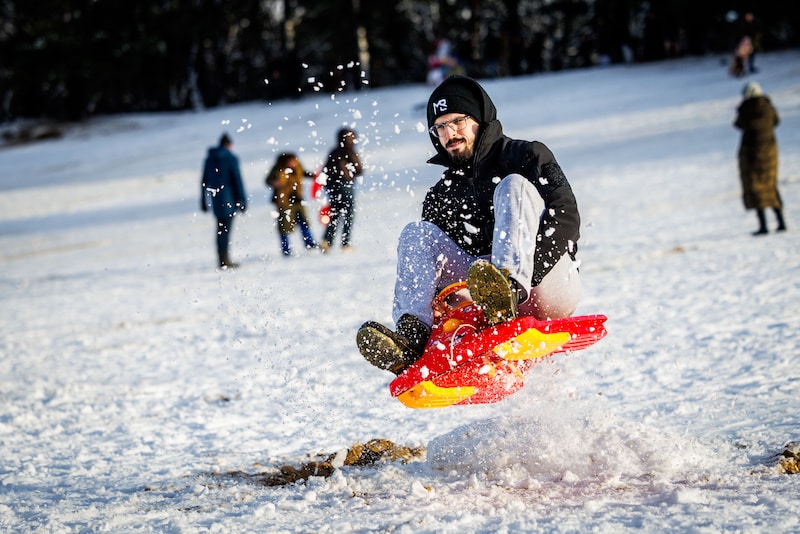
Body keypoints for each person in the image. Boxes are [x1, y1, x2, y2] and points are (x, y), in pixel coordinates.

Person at [356, 75, 582, 374]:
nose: (449, 133)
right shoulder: (441, 194)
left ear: (480, 119)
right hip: (484, 298)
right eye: (440, 127)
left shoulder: (527, 155)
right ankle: (412, 337)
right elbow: (437, 269)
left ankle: (507, 291)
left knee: (513, 186)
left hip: (547, 283)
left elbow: (566, 215)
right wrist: (442, 302)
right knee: (417, 234)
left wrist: (528, 271)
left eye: (458, 121)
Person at [734, 81, 786, 236]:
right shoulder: (768, 108)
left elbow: (738, 124)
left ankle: (763, 225)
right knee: (771, 186)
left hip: (751, 155)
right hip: (770, 153)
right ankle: (781, 222)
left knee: (756, 188)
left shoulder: (746, 110)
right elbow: (776, 121)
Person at [200, 133, 247, 269]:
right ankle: (225, 260)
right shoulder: (231, 158)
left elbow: (204, 181)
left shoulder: (209, 159)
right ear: (229, 145)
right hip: (229, 199)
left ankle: (222, 259)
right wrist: (242, 200)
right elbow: (237, 180)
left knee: (220, 229)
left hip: (216, 200)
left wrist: (203, 201)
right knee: (226, 229)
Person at [265, 152, 318, 256]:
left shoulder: (298, 167)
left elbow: (303, 173)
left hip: (297, 199)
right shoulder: (278, 170)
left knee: (304, 222)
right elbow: (268, 180)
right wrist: (274, 183)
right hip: (283, 201)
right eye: (292, 161)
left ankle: (310, 243)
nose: (295, 163)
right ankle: (286, 248)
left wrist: (313, 175)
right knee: (284, 226)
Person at [320, 128, 362, 252]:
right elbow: (359, 168)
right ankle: (345, 243)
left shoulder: (333, 151)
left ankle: (327, 241)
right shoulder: (349, 151)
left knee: (335, 213)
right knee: (349, 214)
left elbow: (325, 170)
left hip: (332, 186)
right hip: (345, 185)